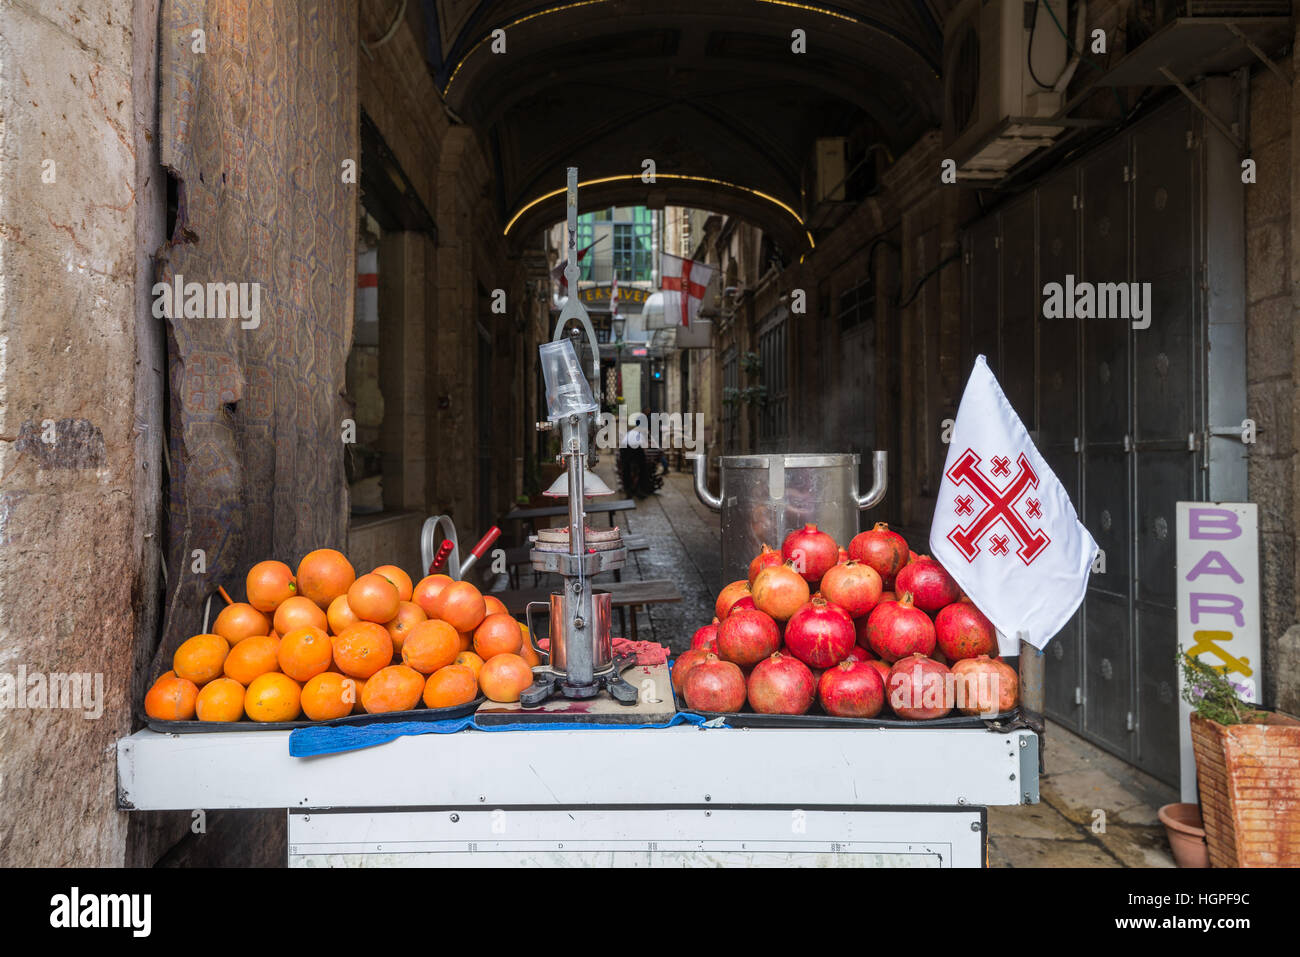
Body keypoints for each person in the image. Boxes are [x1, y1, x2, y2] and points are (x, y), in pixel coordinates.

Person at [618, 410, 662, 498]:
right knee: (643, 468)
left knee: (626, 469)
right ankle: (640, 490)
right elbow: (644, 447)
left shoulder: (631, 431)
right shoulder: (642, 431)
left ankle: (628, 490)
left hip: (624, 447)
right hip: (635, 447)